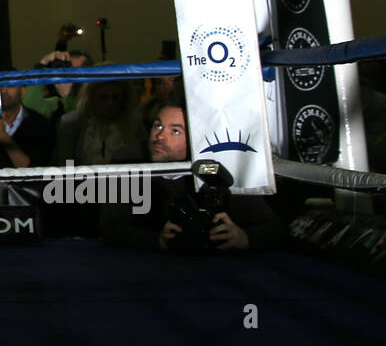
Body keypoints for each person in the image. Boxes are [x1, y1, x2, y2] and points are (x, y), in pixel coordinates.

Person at [100, 94, 285, 252]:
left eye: (175, 131)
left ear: (194, 139)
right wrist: (156, 240)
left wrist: (245, 238)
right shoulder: (129, 159)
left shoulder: (215, 168)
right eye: (157, 126)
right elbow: (110, 226)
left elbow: (275, 228)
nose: (160, 136)